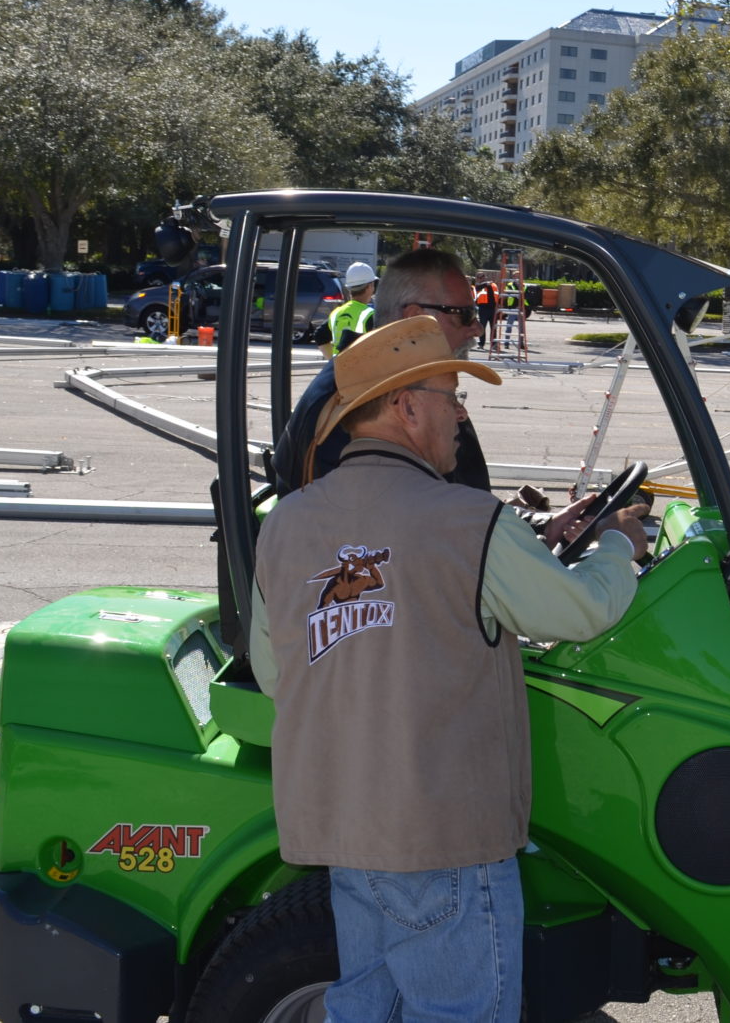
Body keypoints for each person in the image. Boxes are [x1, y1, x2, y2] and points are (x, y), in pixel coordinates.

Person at [254, 316, 642, 1023]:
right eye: (453, 395)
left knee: (369, 1009)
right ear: (406, 406)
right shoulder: (469, 519)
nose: (462, 413)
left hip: (346, 832)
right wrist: (616, 545)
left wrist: (536, 546)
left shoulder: (285, 524)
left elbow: (278, 669)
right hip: (445, 837)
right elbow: (582, 611)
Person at [274, 248, 492, 495]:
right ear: (416, 318)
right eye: (464, 314)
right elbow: (405, 523)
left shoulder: (377, 378)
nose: (477, 329)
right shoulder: (365, 404)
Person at [325, 261, 378, 355]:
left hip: (338, 368)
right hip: (358, 368)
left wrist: (332, 362)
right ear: (369, 286)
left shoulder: (336, 313)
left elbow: (319, 336)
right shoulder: (370, 315)